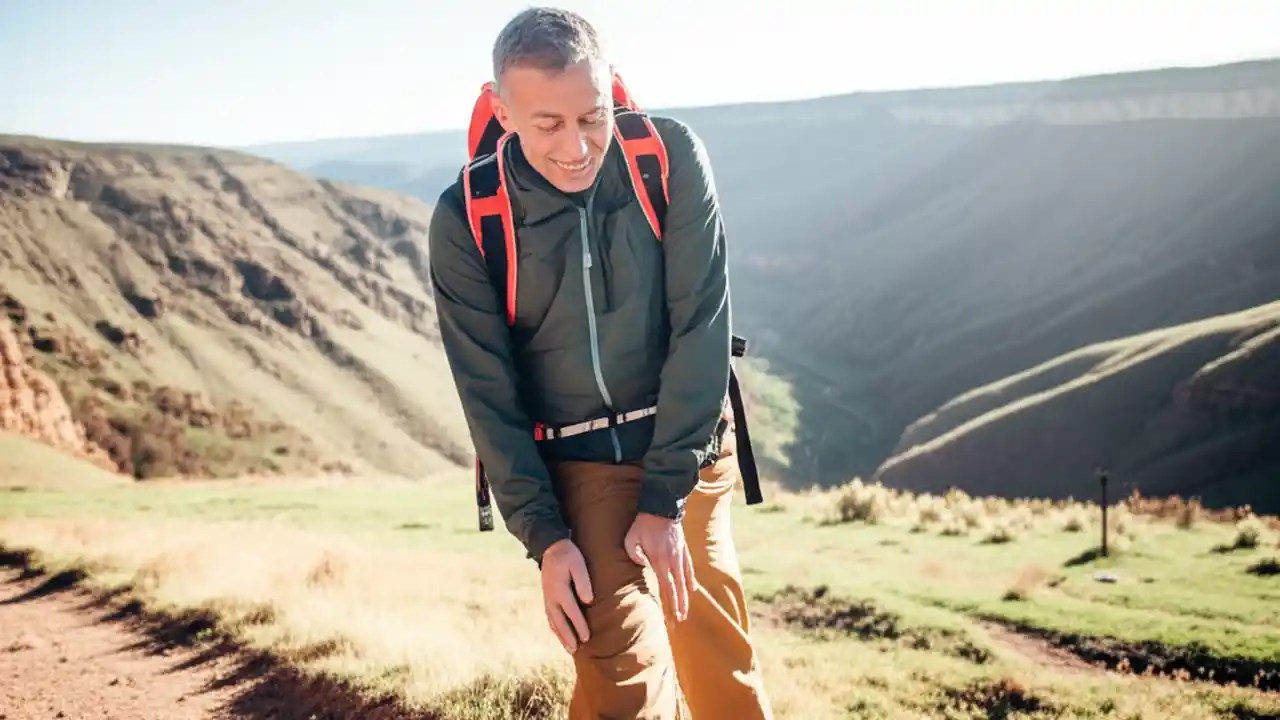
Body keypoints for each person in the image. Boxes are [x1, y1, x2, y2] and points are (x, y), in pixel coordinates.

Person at [428, 7, 773, 718]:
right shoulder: (468, 215)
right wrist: (547, 539)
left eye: (592, 117)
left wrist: (664, 498)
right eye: (546, 124)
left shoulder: (668, 156)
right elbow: (486, 394)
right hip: (578, 465)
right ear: (502, 110)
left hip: (689, 447)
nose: (577, 146)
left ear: (611, 89)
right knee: (625, 688)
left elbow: (702, 325)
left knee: (719, 667)